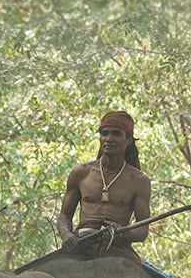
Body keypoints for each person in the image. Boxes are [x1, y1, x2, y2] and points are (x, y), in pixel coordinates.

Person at [56, 109, 152, 262]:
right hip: (81, 243)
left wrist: (123, 233)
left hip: (117, 248)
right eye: (104, 133)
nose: (108, 139)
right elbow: (64, 216)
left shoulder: (139, 181)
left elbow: (142, 230)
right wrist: (66, 235)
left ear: (128, 140)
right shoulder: (81, 173)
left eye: (116, 134)